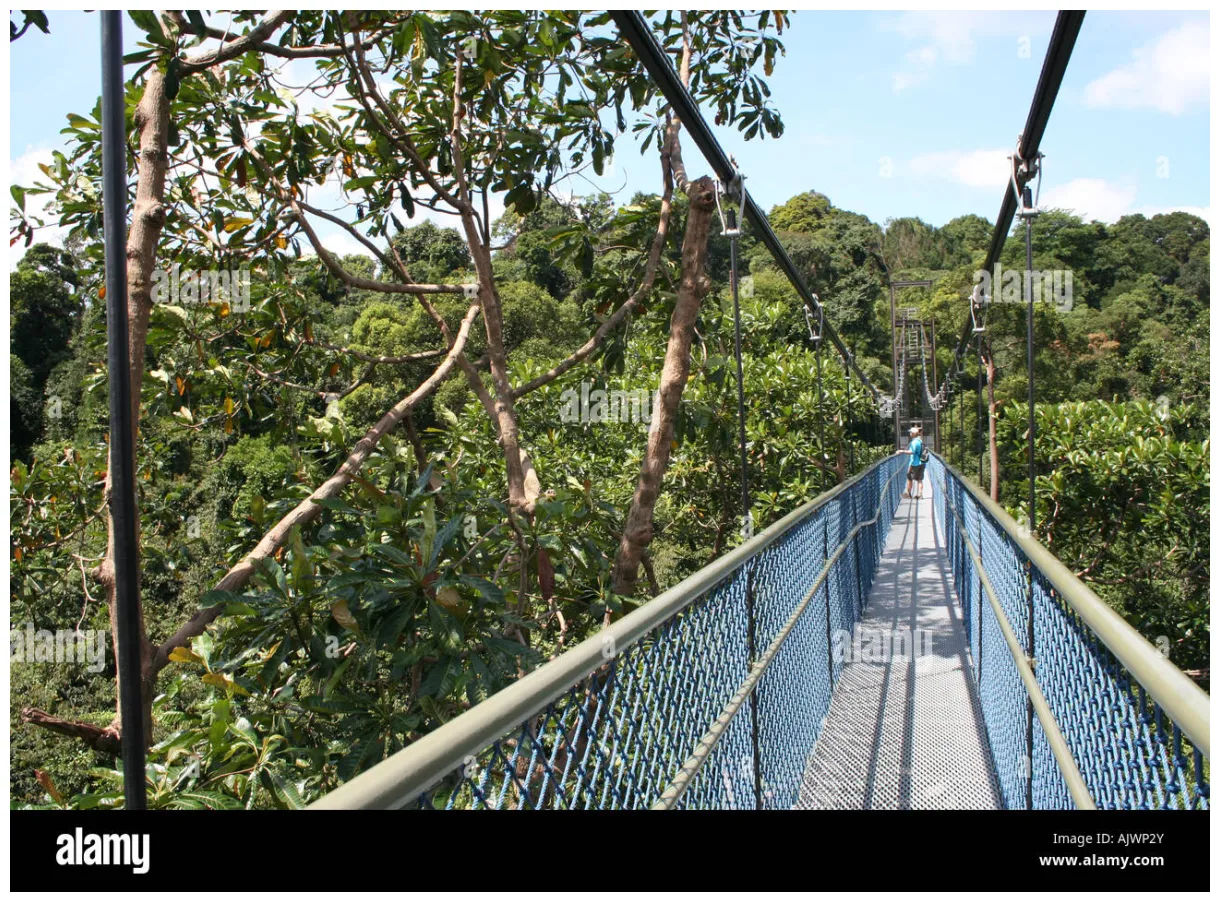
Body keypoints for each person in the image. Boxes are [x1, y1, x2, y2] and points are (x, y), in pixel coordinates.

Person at [903, 426, 926, 499]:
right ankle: (920, 494)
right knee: (920, 479)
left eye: (910, 432)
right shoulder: (920, 441)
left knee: (909, 478)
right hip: (922, 463)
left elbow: (911, 452)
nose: (910, 433)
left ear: (913, 433)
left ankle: (908, 493)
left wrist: (902, 451)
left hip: (914, 464)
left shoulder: (914, 442)